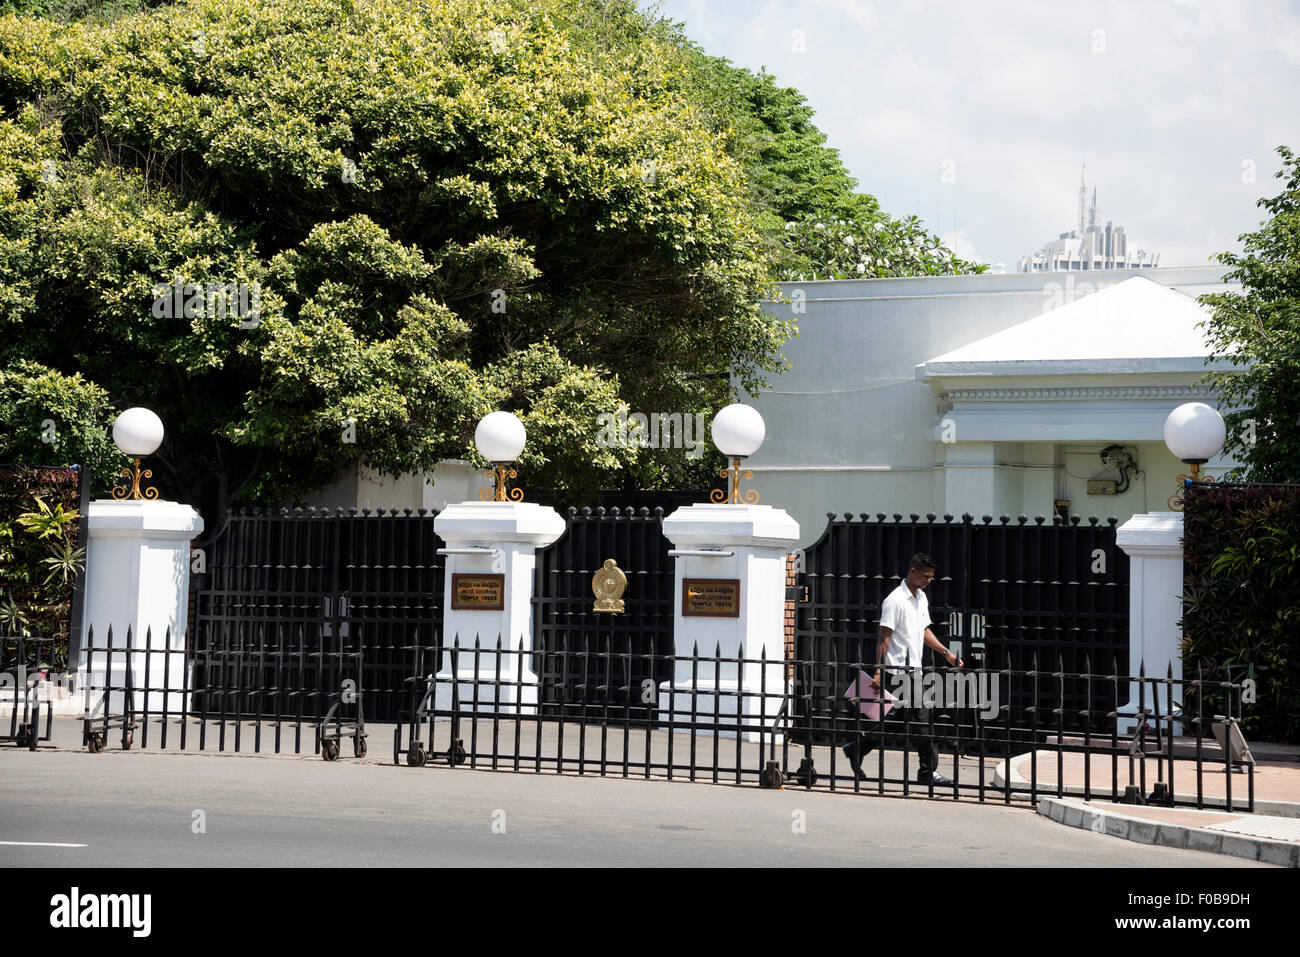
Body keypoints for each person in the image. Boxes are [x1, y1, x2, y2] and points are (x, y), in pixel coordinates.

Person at [841, 552, 963, 787]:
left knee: (897, 720)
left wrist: (945, 653)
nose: (929, 580)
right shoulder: (895, 600)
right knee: (923, 720)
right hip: (899, 672)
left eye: (931, 577)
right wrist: (878, 672)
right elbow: (883, 637)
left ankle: (856, 749)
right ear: (913, 571)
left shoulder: (921, 598)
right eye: (926, 576)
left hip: (915, 669)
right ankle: (928, 772)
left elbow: (924, 631)